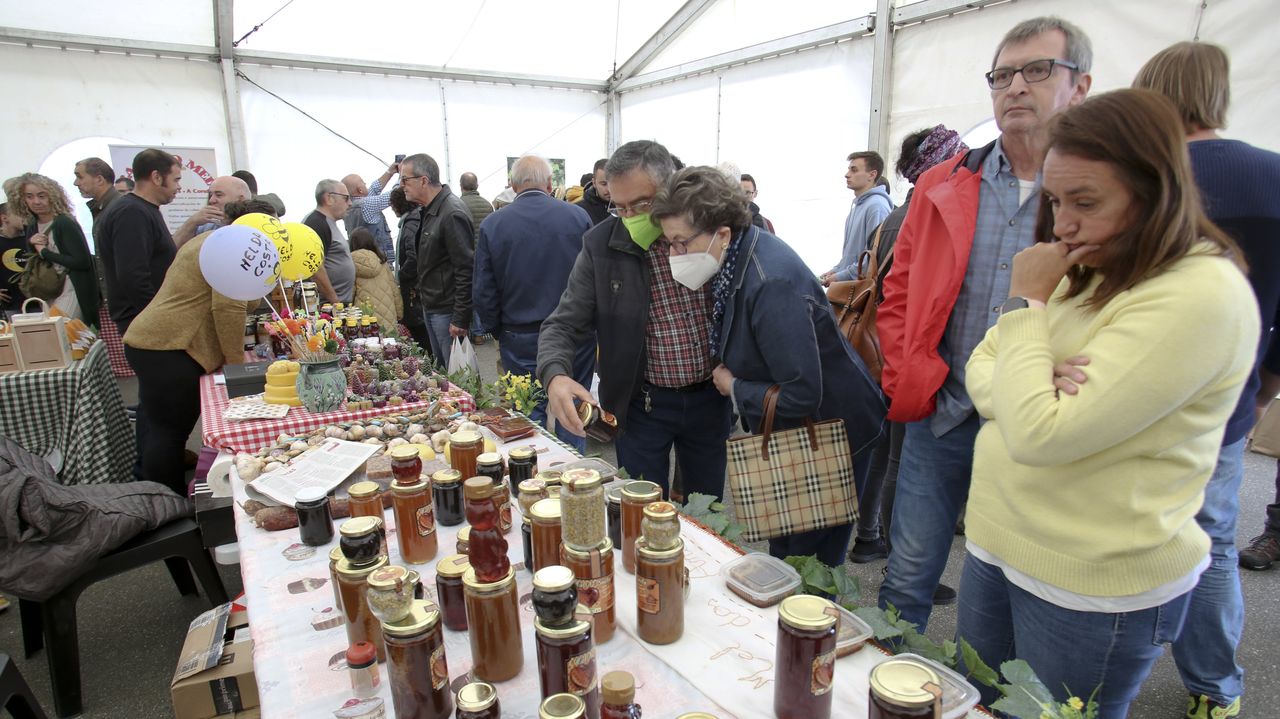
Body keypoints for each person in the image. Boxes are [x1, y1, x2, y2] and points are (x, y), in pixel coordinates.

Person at [956, 88, 1258, 719]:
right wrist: (1031, 376)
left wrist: (1025, 313)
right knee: (982, 705)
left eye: (1085, 202)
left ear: (1156, 193)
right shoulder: (1094, 261)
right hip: (999, 542)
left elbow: (1039, 434)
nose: (1062, 224)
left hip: (1090, 584)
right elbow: (981, 369)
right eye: (1056, 200)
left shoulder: (1198, 294)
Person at [876, 16, 1092, 630]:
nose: (1015, 86)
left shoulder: (1096, 189)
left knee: (1010, 583)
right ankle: (891, 684)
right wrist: (906, 369)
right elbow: (899, 290)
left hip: (1035, 421)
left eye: (1037, 70)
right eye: (1002, 75)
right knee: (909, 570)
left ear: (1080, 86)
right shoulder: (947, 181)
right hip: (942, 408)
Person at [1134, 41, 1280, 719]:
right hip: (1228, 404)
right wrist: (1263, 385)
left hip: (1134, 400)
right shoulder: (1273, 175)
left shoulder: (1143, 175)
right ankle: (1214, 688)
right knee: (1212, 542)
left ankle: (1108, 679)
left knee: (1120, 537)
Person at [650, 166, 884, 566]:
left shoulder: (769, 281)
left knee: (806, 566)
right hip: (802, 432)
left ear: (721, 233)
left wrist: (733, 385)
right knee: (787, 553)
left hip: (828, 436)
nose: (673, 256)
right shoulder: (740, 257)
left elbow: (801, 392)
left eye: (679, 244)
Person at [538, 140, 734, 500]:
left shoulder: (706, 231)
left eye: (642, 205)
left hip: (710, 398)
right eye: (620, 207)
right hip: (642, 405)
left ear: (670, 186)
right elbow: (563, 323)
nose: (631, 218)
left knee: (708, 510)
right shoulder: (602, 245)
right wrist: (555, 375)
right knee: (639, 509)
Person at [854, 124, 968, 567]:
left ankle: (868, 537)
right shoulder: (927, 211)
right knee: (902, 461)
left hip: (879, 347)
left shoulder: (891, 217)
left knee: (882, 454)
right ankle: (903, 560)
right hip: (905, 352)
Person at [122, 200, 263, 495]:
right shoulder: (233, 251)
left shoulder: (208, 240)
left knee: (154, 422)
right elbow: (228, 309)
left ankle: (147, 487)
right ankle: (167, 504)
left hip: (151, 340)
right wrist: (235, 367)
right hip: (172, 345)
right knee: (169, 433)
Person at [474, 155, 595, 452]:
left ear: (513, 186)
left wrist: (496, 330)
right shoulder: (578, 217)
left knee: (527, 412)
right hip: (575, 334)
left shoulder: (493, 224)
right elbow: (596, 279)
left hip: (520, 333)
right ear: (550, 184)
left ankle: (531, 479)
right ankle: (572, 477)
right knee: (574, 409)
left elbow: (483, 288)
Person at [400, 153, 474, 369]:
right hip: (433, 306)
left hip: (447, 310)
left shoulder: (451, 212)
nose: (402, 186)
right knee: (445, 373)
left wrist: (460, 317)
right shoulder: (430, 210)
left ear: (423, 180)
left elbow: (466, 268)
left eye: (405, 180)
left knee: (458, 376)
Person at [96, 148, 182, 334]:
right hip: (143, 322)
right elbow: (132, 275)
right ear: (157, 177)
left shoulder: (143, 209)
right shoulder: (132, 213)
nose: (179, 187)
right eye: (176, 180)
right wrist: (158, 317)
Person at [3, 173, 98, 324]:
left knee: (64, 333)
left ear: (52, 196)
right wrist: (33, 245)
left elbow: (82, 261)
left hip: (71, 288)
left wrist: (44, 251)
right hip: (49, 289)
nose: (36, 201)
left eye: (42, 196)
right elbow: (32, 257)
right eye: (29, 196)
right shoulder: (33, 223)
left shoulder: (64, 222)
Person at [821, 151, 893, 286]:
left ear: (872, 175)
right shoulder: (858, 206)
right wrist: (835, 270)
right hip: (849, 290)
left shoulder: (877, 206)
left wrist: (839, 277)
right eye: (849, 169)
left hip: (860, 294)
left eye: (854, 170)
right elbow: (853, 255)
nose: (847, 174)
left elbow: (872, 259)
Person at [390, 185, 431, 354]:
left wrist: (400, 275)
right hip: (417, 288)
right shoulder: (413, 221)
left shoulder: (410, 224)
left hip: (414, 290)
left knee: (421, 335)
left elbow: (413, 257)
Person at [303, 179, 356, 305]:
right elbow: (316, 268)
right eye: (346, 198)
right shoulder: (317, 223)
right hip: (328, 306)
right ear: (329, 198)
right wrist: (335, 301)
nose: (350, 203)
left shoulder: (328, 222)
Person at [173, 176, 252, 247]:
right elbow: (170, 253)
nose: (211, 200)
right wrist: (191, 223)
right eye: (211, 195)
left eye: (219, 195)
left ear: (240, 199)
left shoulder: (254, 225)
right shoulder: (207, 226)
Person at [343, 166, 398, 264]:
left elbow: (374, 189)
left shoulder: (350, 206)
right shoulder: (366, 204)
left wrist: (390, 172)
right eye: (363, 182)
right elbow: (394, 195)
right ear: (360, 190)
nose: (365, 184)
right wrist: (404, 177)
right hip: (378, 261)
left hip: (364, 260)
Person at [349, 227, 403, 326]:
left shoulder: (351, 264)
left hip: (364, 319)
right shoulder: (382, 261)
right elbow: (394, 290)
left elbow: (349, 294)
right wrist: (399, 314)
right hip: (388, 317)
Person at [71, 157, 121, 238]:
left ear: (99, 179)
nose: (75, 183)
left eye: (80, 177)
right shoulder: (102, 208)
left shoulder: (121, 208)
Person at [0, 202, 28, 314]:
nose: (24, 217)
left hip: (37, 300)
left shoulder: (31, 237)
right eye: (19, 213)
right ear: (4, 218)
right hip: (10, 305)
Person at [576, 159, 611, 226]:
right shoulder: (579, 210)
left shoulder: (626, 208)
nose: (609, 189)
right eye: (604, 184)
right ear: (594, 182)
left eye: (613, 183)